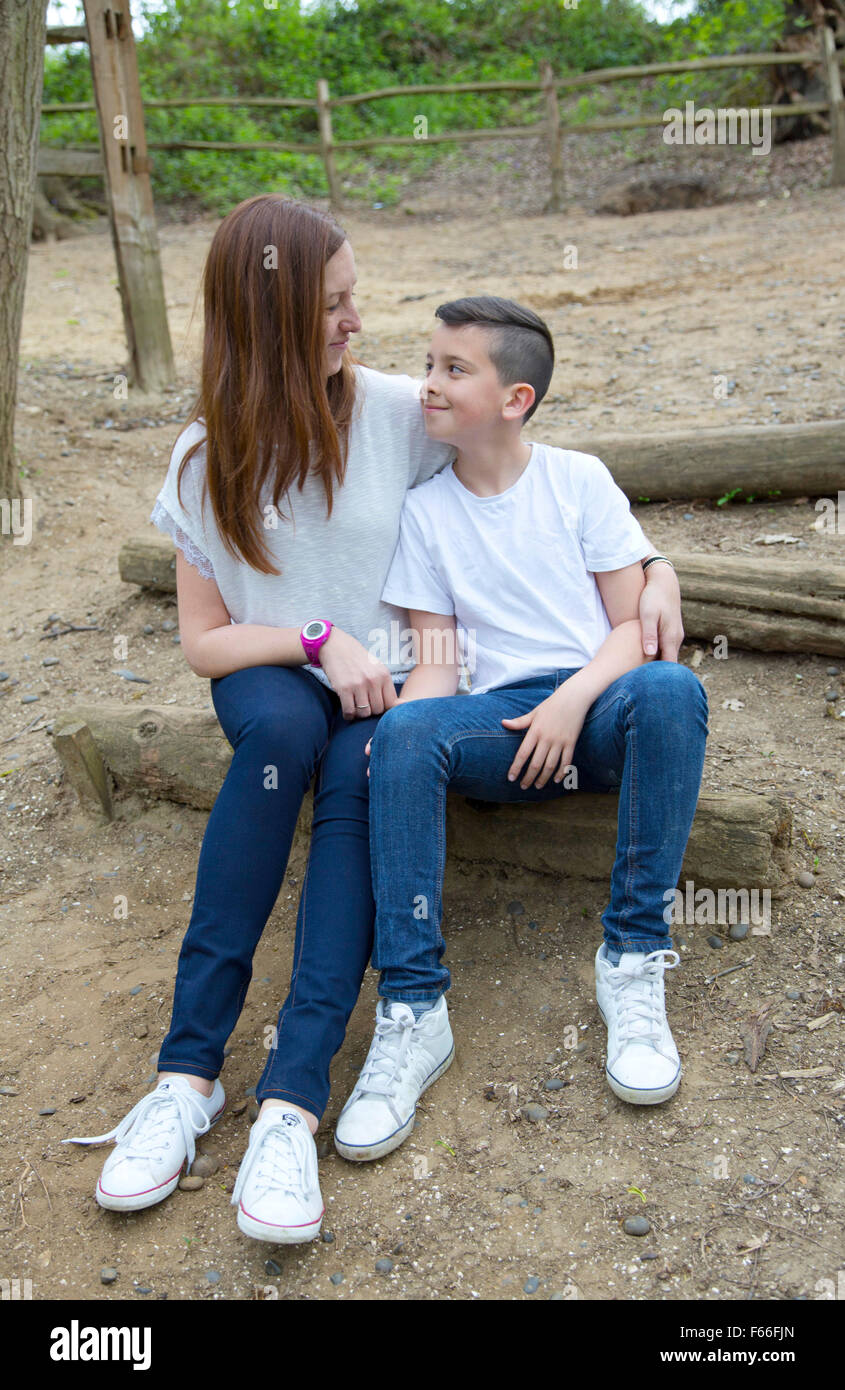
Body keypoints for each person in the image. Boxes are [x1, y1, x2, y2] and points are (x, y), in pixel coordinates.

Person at [64, 199, 686, 1244]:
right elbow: (207, 641)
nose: (359, 321)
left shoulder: (400, 411)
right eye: (335, 304)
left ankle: (290, 1104)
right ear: (267, 315)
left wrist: (659, 567)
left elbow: (524, 454)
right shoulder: (202, 455)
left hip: (385, 685)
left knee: (358, 768)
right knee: (280, 741)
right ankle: (184, 1078)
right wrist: (312, 635)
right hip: (272, 667)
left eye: (355, 298)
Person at [333, 296, 709, 1164]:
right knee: (406, 732)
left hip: (598, 707)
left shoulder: (576, 480)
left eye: (453, 369)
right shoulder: (424, 514)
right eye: (427, 364)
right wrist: (400, 733)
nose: (428, 384)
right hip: (501, 724)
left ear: (515, 399)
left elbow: (631, 627)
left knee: (669, 689)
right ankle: (414, 1010)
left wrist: (572, 699)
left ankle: (632, 958)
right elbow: (433, 664)